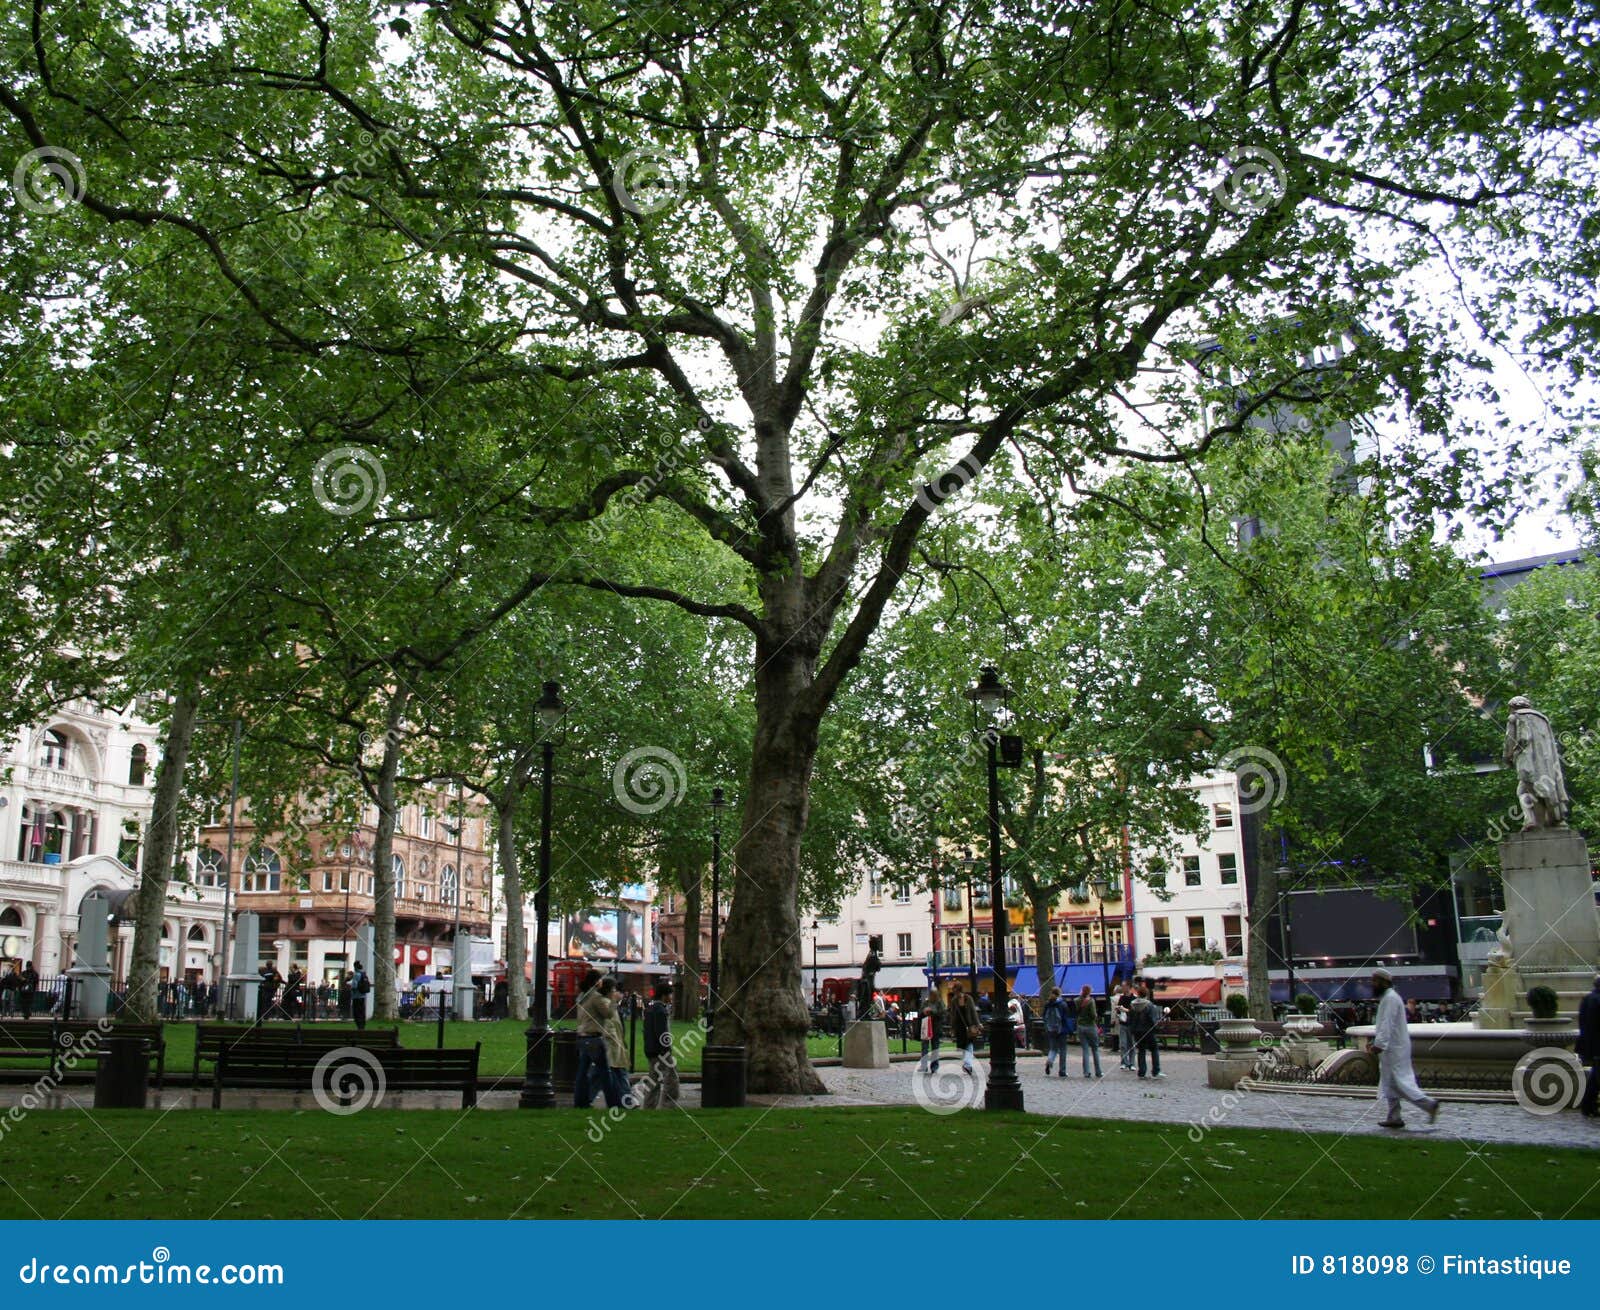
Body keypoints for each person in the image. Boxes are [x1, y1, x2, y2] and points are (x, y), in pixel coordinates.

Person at [1370, 967, 1440, 1128]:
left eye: (1375, 981)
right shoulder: (1390, 998)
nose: (1372, 984)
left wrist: (1379, 1045)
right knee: (1391, 1082)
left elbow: (1387, 1024)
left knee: (1400, 1082)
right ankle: (1394, 1117)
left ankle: (1429, 1104)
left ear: (1383, 982)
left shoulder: (1390, 999)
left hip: (1394, 1049)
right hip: (1394, 1047)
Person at [574, 970, 623, 1109]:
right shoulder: (595, 997)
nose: (602, 982)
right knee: (606, 1073)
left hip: (582, 1037)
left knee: (582, 1073)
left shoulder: (582, 996)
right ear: (596, 981)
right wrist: (615, 1000)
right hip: (594, 1038)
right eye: (600, 979)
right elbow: (608, 1014)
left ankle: (580, 1102)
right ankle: (614, 1103)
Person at [642, 982, 679, 1108]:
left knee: (654, 1080)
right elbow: (662, 1033)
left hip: (651, 1049)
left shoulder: (650, 1009)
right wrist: (666, 1049)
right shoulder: (660, 1011)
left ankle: (649, 1105)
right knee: (672, 1079)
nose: (671, 998)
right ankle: (667, 1105)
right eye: (670, 995)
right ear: (664, 996)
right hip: (661, 1051)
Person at [597, 977, 631, 1106]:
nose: (616, 992)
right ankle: (625, 1100)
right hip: (612, 1045)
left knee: (615, 1074)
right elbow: (609, 1025)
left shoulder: (609, 1003)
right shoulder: (606, 1003)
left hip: (615, 1045)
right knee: (618, 1073)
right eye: (614, 989)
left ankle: (622, 1100)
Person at [1576, 975, 1599, 1118]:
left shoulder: (1588, 999)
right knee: (1596, 1076)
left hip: (1589, 1044)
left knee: (1596, 1074)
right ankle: (1588, 1104)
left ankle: (1588, 1105)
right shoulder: (1597, 1000)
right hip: (1597, 1045)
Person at [1132, 985, 1164, 1080]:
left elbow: (1131, 1018)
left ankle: (1142, 1072)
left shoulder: (1133, 1004)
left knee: (1141, 1051)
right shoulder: (1149, 1005)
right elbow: (1152, 1019)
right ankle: (1156, 1070)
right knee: (1154, 1049)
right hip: (1148, 1031)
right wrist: (1156, 1027)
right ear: (1146, 994)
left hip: (1137, 1031)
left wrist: (1133, 1029)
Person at [948, 981, 981, 1074]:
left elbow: (973, 1012)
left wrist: (977, 1023)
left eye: (954, 988)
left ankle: (967, 1064)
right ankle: (967, 1064)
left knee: (969, 1043)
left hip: (969, 1025)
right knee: (962, 1045)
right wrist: (952, 1027)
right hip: (959, 1026)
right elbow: (953, 1015)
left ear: (958, 989)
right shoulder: (954, 1000)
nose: (953, 990)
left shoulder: (968, 998)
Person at [1041, 987, 1072, 1077]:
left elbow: (1044, 1017)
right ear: (1059, 994)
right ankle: (1062, 1071)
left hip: (1051, 1029)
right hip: (1061, 1030)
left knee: (1053, 1049)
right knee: (1063, 1050)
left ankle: (1050, 1060)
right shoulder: (1062, 1004)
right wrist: (1069, 1030)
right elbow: (1066, 1018)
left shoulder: (1048, 1004)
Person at [1076, 984, 1104, 1078]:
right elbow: (1093, 1015)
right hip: (1090, 1026)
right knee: (1095, 1049)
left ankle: (1086, 1072)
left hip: (1080, 1026)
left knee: (1085, 1049)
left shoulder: (1076, 1000)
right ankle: (1098, 1071)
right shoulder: (1091, 1001)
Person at [917, 986, 947, 1073]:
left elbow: (942, 1013)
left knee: (935, 1048)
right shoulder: (926, 1002)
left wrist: (932, 1011)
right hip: (926, 1027)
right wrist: (924, 1011)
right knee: (924, 1047)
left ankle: (934, 1066)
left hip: (935, 1027)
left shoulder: (939, 1003)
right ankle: (924, 1065)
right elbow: (920, 1012)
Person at [1115, 983, 1136, 1070]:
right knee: (1123, 1044)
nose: (1123, 988)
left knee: (1131, 1044)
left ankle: (1132, 1063)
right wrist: (1118, 1010)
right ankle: (1124, 1062)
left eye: (1124, 986)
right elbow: (1119, 1009)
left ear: (1129, 987)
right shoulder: (1122, 997)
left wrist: (1125, 1010)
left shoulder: (1134, 998)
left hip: (1131, 1024)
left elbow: (1134, 1012)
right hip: (1123, 1023)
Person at [350, 961, 371, 1030]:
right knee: (362, 1012)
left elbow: (354, 986)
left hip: (356, 997)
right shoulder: (364, 974)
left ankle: (359, 1026)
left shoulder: (356, 975)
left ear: (355, 967)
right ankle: (362, 1026)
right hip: (363, 996)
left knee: (356, 1012)